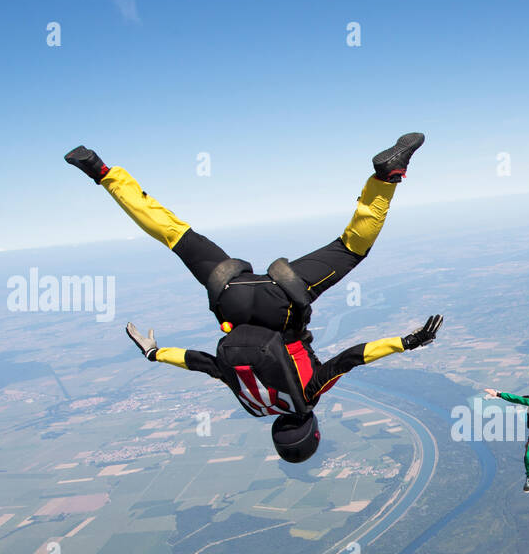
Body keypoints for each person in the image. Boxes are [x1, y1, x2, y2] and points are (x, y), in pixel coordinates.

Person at [64, 134, 439, 463]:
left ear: (314, 430)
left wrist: (408, 343)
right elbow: (202, 363)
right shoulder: (250, 403)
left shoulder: (306, 398)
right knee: (174, 235)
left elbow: (351, 358)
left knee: (352, 247)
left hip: (283, 300)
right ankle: (101, 172)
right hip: (230, 297)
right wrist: (153, 353)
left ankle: (386, 177)